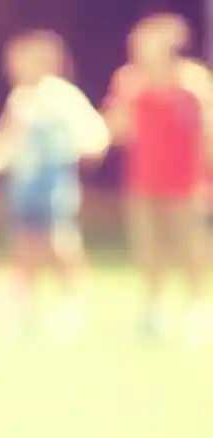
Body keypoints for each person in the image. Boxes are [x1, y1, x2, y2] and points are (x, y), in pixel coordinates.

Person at [0, 32, 109, 341]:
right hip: (25, 184)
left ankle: (72, 302)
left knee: (61, 242)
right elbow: (6, 139)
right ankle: (22, 308)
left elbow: (94, 134)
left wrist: (85, 148)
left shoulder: (62, 96)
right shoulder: (21, 98)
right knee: (23, 247)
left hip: (54, 182)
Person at [104, 13, 213, 343]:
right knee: (147, 247)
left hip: (186, 183)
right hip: (143, 182)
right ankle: (153, 308)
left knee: (190, 246)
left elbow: (207, 134)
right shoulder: (128, 81)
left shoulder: (193, 81)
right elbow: (116, 130)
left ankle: (198, 305)